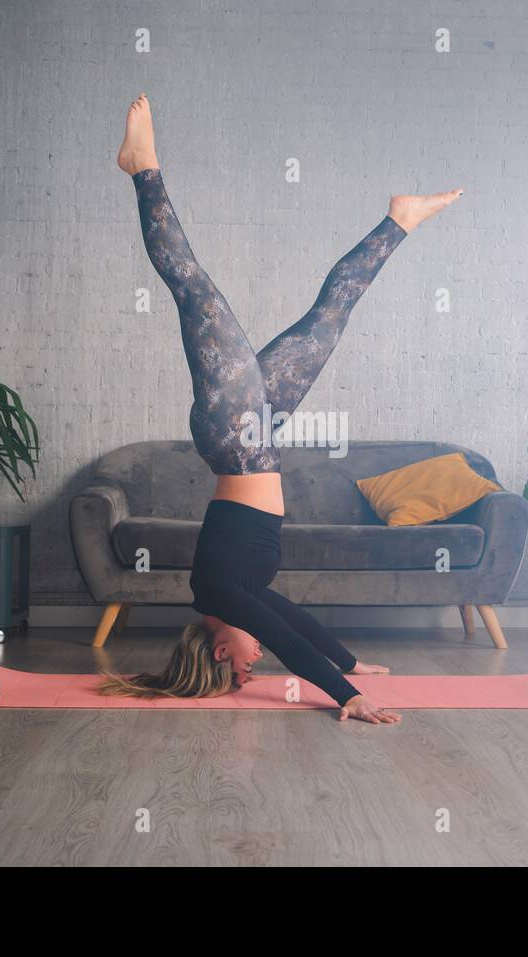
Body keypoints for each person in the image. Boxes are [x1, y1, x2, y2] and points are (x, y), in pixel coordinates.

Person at [99, 95, 461, 724]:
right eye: (254, 671)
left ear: (217, 647)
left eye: (241, 666)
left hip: (234, 437)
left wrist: (347, 700)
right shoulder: (241, 595)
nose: (256, 659)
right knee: (328, 320)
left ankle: (143, 168)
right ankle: (399, 220)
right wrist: (349, 666)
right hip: (254, 434)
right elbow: (299, 625)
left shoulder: (216, 594)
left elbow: (289, 644)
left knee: (196, 293)